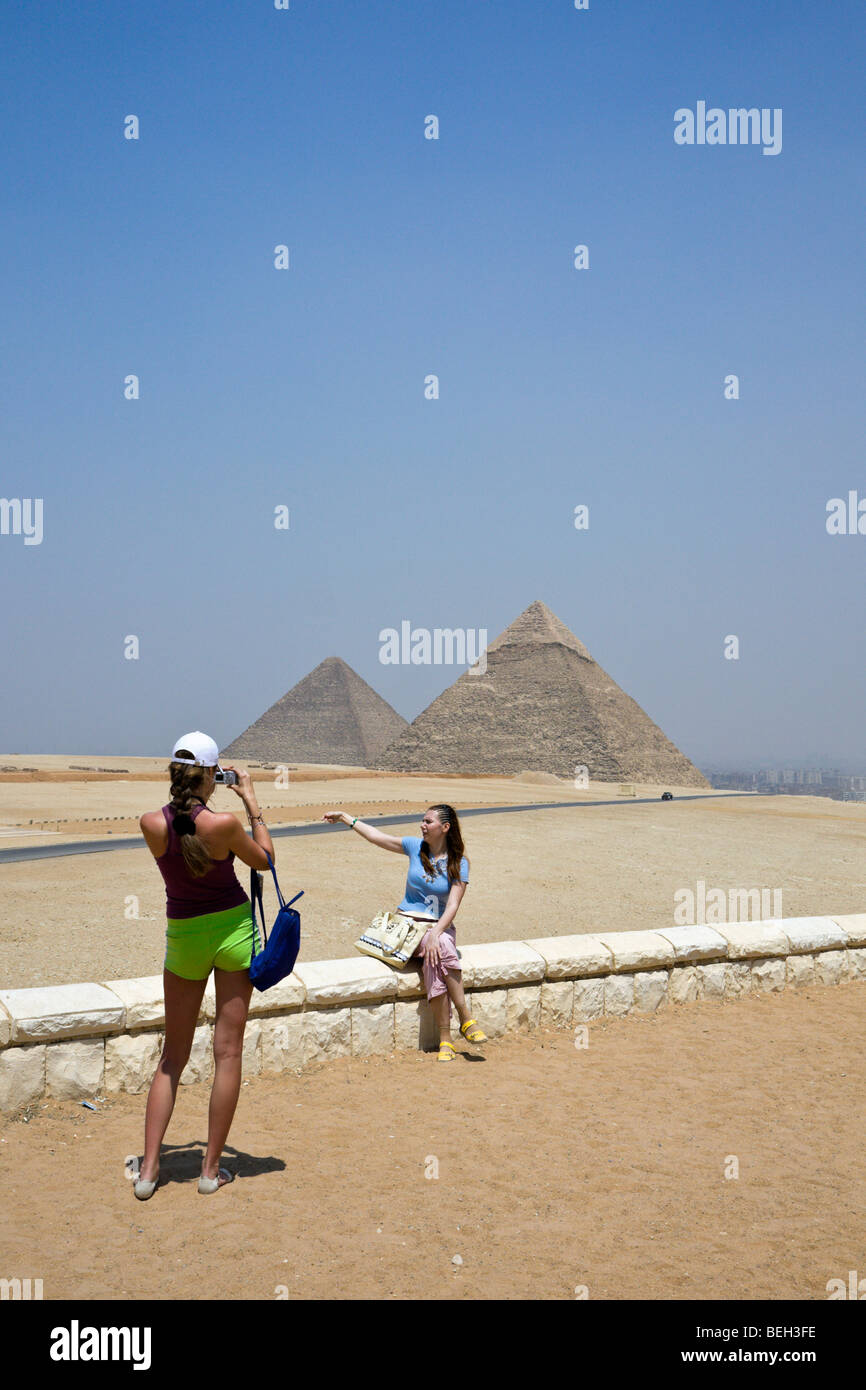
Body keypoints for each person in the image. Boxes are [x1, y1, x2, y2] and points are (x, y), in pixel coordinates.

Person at [134, 731, 274, 1198]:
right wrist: (250, 800)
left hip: (185, 940)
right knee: (227, 1053)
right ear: (213, 775)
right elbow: (266, 860)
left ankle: (148, 1171)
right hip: (233, 934)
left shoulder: (150, 824)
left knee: (172, 1058)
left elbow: (183, 835)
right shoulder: (225, 825)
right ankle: (211, 1172)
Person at [321, 803, 486, 1061]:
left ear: (445, 827)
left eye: (428, 822)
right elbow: (376, 837)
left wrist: (435, 932)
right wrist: (345, 817)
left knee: (436, 956)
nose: (422, 825)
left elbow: (453, 905)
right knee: (441, 947)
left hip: (438, 927)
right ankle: (465, 1018)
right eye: (423, 820)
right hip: (406, 928)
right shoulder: (414, 847)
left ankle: (446, 1039)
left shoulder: (459, 862)